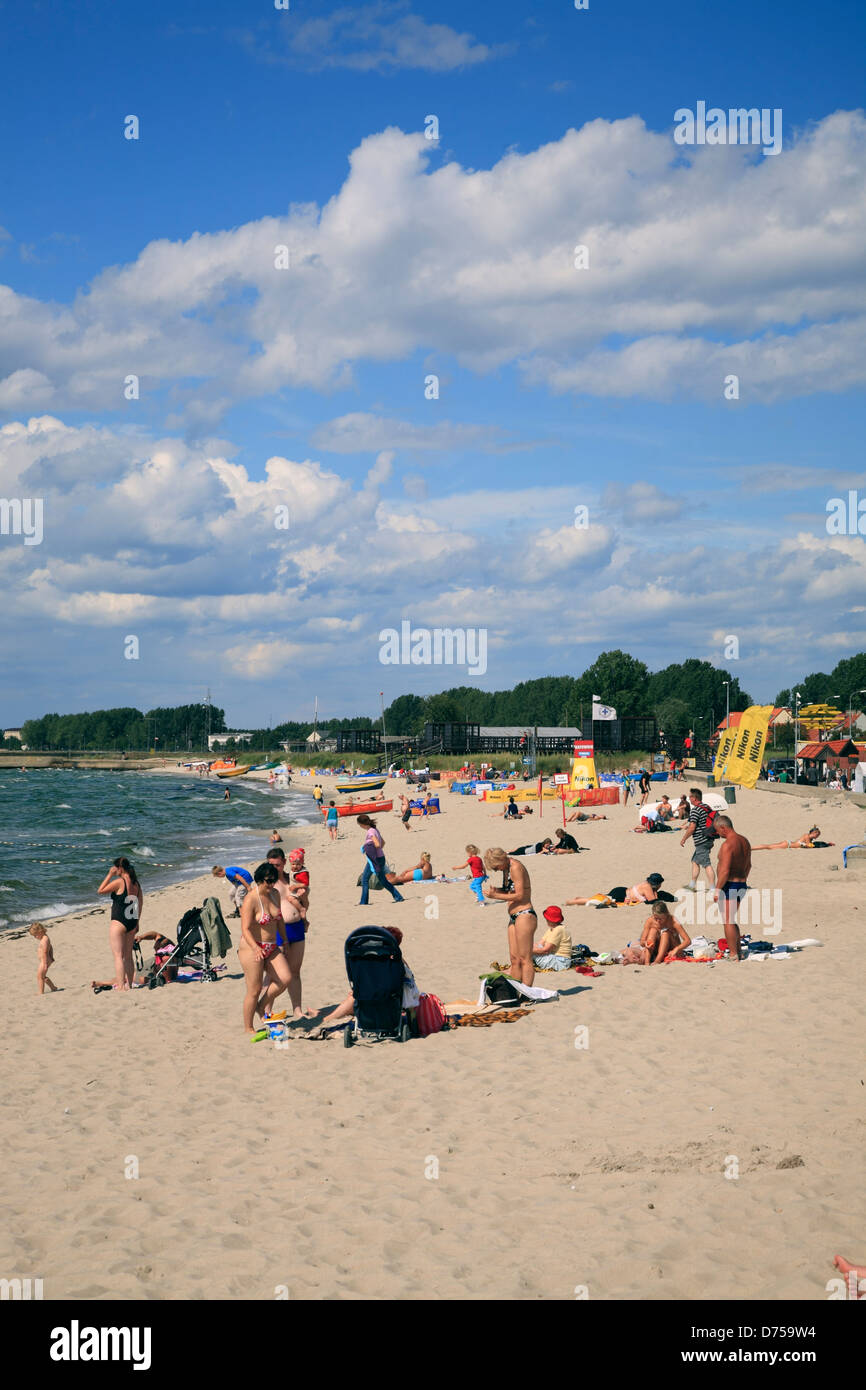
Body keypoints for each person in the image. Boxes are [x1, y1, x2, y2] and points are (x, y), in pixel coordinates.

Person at [312, 927, 419, 1035]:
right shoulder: (395, 964)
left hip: (369, 1001)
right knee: (355, 997)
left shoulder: (368, 962)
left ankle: (327, 1018)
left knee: (353, 998)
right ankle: (325, 1016)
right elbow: (407, 979)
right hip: (389, 1001)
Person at [238, 862, 293, 1031]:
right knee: (254, 989)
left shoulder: (275, 893)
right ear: (259, 880)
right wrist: (256, 948)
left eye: (274, 880)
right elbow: (245, 928)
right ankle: (248, 1027)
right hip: (251, 947)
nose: (271, 884)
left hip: (272, 946)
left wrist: (284, 940)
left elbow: (280, 920)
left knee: (285, 978)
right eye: (268, 881)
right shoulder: (251, 899)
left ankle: (261, 1007)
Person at [483, 847, 537, 985]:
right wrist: (498, 890)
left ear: (501, 859)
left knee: (525, 958)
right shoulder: (506, 868)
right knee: (515, 959)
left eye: (496, 867)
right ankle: (516, 988)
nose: (496, 870)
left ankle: (527, 992)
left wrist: (495, 895)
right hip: (514, 917)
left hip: (524, 914)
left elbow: (520, 895)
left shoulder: (515, 867)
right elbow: (509, 891)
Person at [97, 857, 143, 991]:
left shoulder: (119, 882)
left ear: (120, 868)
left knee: (118, 956)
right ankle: (130, 984)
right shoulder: (136, 884)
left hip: (119, 921)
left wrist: (109, 875)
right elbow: (139, 904)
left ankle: (122, 986)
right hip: (131, 921)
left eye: (115, 868)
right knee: (128, 956)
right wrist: (137, 922)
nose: (114, 869)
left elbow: (100, 890)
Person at [713, 814, 752, 961]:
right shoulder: (744, 841)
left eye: (717, 830)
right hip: (741, 884)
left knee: (727, 920)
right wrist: (743, 881)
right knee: (731, 919)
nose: (718, 834)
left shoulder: (728, 844)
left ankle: (734, 954)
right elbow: (748, 866)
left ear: (723, 828)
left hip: (730, 885)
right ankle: (739, 951)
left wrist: (717, 889)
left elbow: (724, 871)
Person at [357, 814, 404, 905]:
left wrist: (369, 848)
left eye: (359, 825)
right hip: (378, 858)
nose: (360, 826)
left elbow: (378, 844)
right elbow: (383, 843)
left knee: (368, 880)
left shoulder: (370, 832)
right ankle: (398, 897)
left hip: (376, 860)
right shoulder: (375, 830)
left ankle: (364, 902)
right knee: (371, 879)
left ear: (363, 824)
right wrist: (377, 852)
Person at [679, 787, 716, 891]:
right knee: (695, 861)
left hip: (701, 840)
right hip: (709, 838)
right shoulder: (706, 807)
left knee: (706, 864)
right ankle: (691, 885)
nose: (689, 798)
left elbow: (692, 828)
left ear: (694, 798)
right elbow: (701, 823)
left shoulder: (695, 810)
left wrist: (684, 839)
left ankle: (713, 888)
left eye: (690, 796)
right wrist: (686, 827)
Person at [532, 906, 573, 971]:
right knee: (529, 946)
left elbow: (545, 950)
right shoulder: (551, 929)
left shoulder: (558, 930)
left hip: (561, 962)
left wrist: (528, 951)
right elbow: (540, 944)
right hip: (554, 957)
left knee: (527, 951)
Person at [30, 923, 58, 994]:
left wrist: (45, 964)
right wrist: (51, 956)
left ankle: (40, 992)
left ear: (40, 931)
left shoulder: (45, 940)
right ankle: (53, 988)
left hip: (44, 961)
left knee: (40, 977)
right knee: (43, 976)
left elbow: (45, 952)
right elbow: (50, 947)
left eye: (35, 935)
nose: (35, 937)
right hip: (45, 960)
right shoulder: (45, 937)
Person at [752, 826, 834, 850]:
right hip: (788, 845)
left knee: (768, 846)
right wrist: (823, 845)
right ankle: (751, 848)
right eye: (818, 834)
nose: (818, 836)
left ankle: (751, 848)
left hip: (788, 843)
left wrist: (827, 844)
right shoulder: (807, 836)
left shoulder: (807, 836)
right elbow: (809, 845)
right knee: (768, 847)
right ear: (814, 833)